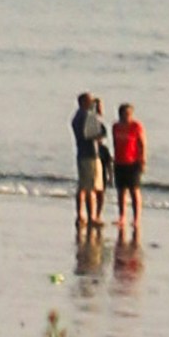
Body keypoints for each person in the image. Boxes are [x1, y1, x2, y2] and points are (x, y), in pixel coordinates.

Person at [72, 89, 107, 247]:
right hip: (90, 154)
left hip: (82, 153)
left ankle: (81, 215)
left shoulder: (77, 116)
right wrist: (98, 115)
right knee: (91, 187)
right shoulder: (87, 115)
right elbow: (98, 133)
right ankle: (92, 216)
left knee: (83, 186)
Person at [111, 98, 146, 241]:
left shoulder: (136, 126)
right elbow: (114, 143)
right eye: (123, 114)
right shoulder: (116, 127)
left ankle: (136, 218)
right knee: (121, 191)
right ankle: (122, 216)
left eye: (127, 114)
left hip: (133, 162)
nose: (125, 116)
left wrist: (142, 160)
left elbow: (142, 144)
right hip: (119, 162)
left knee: (134, 190)